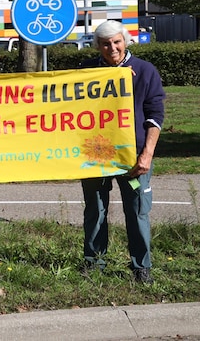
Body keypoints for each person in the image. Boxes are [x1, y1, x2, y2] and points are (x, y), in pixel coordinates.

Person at [79, 20, 165, 284]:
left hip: (134, 157)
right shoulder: (86, 72)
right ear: (98, 47)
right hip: (96, 156)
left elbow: (155, 114)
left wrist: (147, 154)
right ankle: (94, 262)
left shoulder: (145, 71)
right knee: (95, 210)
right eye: (105, 44)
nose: (112, 48)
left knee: (138, 210)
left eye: (116, 42)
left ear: (125, 41)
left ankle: (142, 267)